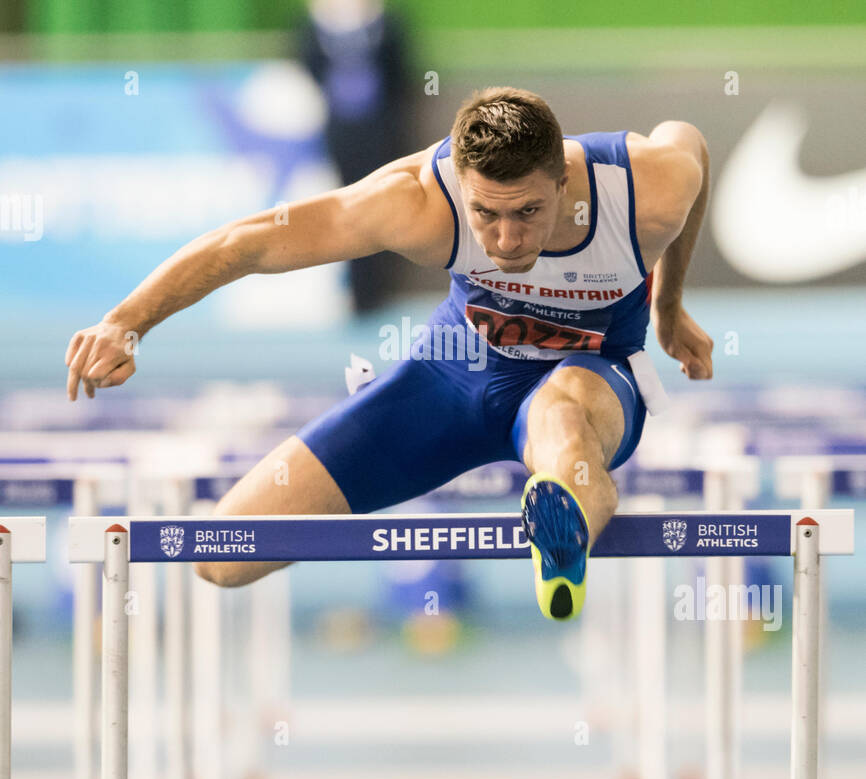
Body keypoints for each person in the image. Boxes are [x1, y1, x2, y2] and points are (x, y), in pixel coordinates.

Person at [64, 87, 713, 621]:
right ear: (461, 186)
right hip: (453, 377)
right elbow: (248, 243)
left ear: (563, 177)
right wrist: (125, 323)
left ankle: (563, 534)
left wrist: (668, 304)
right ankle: (560, 507)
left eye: (528, 212)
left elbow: (692, 145)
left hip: (592, 371)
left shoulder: (645, 187)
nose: (506, 239)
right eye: (486, 214)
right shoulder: (416, 200)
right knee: (224, 553)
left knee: (561, 418)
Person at [293, 0, 412, 312]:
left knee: (382, 202)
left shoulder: (386, 19)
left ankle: (378, 290)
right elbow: (307, 67)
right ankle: (354, 291)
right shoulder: (311, 21)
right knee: (345, 204)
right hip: (338, 129)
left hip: (379, 128)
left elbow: (401, 73)